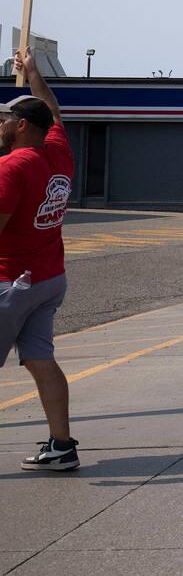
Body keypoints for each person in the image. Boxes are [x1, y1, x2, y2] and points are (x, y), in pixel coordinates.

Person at [0, 49, 77, 471]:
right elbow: (52, 108)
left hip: (9, 281)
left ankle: (62, 446)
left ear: (21, 126)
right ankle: (62, 446)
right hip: (48, 279)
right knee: (40, 359)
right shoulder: (59, 151)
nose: (1, 125)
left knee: (40, 360)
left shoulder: (12, 167)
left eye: (5, 120)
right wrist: (33, 72)